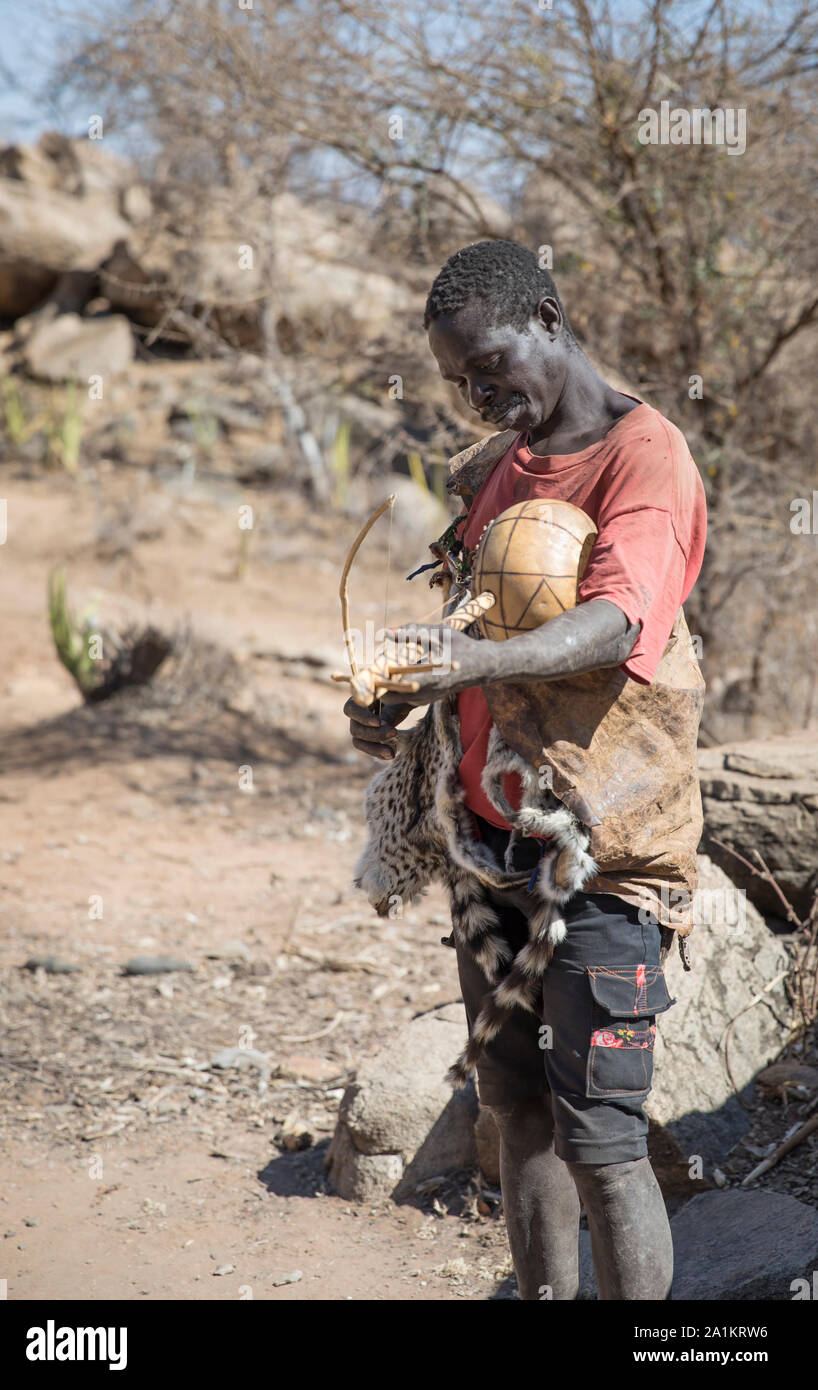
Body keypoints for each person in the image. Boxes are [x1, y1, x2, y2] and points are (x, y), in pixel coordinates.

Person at [344, 240, 707, 1300]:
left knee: (602, 1140)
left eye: (490, 364)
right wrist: (403, 704)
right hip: (485, 849)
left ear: (547, 317)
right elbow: (469, 624)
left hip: (594, 856)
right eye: (460, 382)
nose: (478, 393)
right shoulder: (498, 468)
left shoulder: (643, 455)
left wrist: (481, 659)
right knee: (519, 1117)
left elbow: (617, 618)